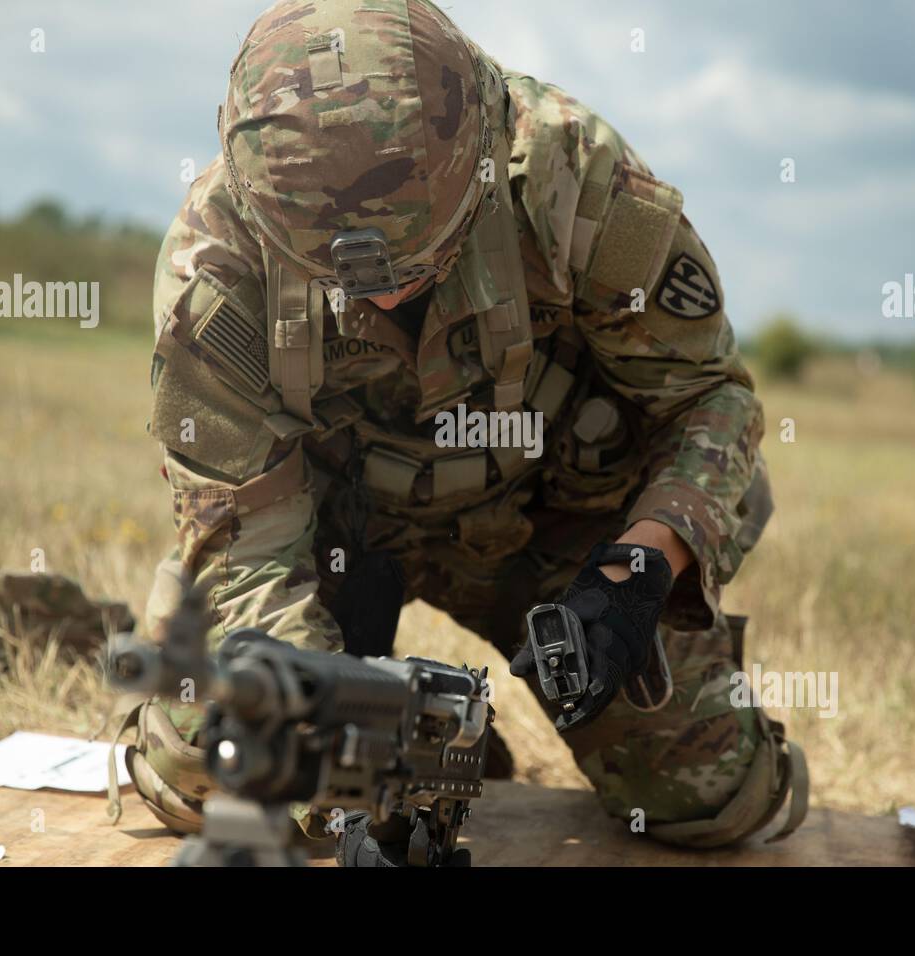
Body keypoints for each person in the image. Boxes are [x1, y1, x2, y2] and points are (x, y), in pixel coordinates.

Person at [123, 0, 806, 853]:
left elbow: (710, 399)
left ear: (484, 155)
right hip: (338, 543)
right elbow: (243, 552)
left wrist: (639, 570)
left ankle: (495, 725)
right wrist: (343, 774)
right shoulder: (216, 269)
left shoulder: (568, 176)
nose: (380, 298)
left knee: (710, 800)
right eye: (341, 274)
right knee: (200, 771)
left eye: (418, 261)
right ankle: (442, 743)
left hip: (557, 533)